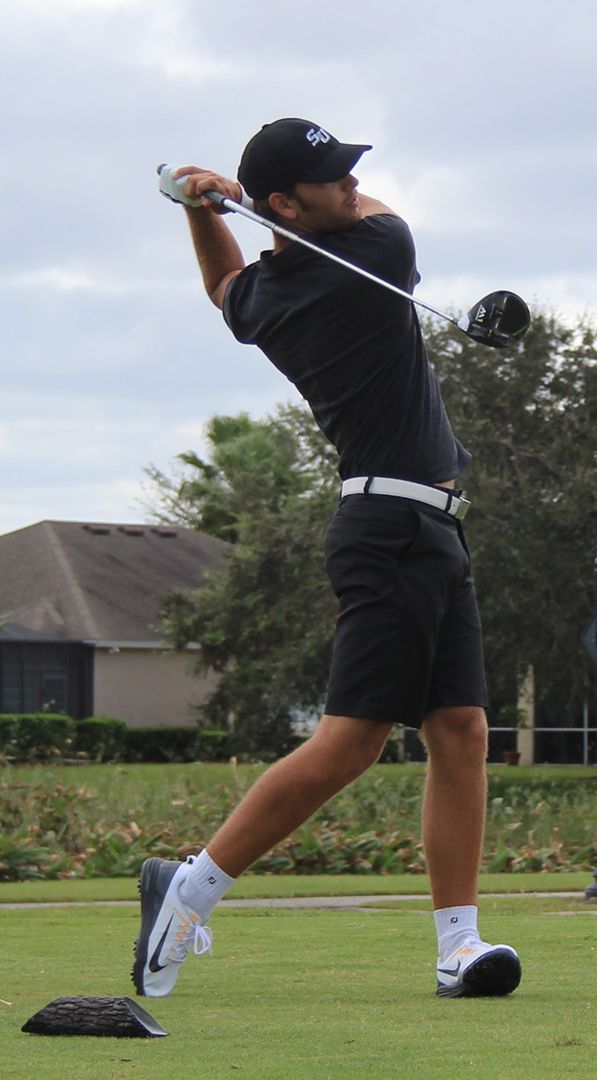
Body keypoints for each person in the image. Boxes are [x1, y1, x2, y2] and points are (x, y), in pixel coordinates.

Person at [137, 118, 519, 1001]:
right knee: (352, 741)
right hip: (389, 525)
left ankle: (458, 946)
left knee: (461, 732)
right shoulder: (377, 252)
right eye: (330, 179)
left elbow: (223, 282)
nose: (352, 186)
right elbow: (364, 221)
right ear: (284, 203)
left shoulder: (270, 296)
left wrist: (200, 210)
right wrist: (226, 205)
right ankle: (188, 890)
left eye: (350, 172)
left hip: (425, 528)